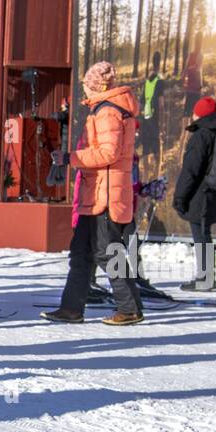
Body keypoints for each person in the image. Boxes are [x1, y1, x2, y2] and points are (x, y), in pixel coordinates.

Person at [44, 61, 143, 326]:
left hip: (105, 193)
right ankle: (71, 308)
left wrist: (71, 157)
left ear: (96, 85)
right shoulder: (104, 109)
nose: (85, 90)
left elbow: (109, 153)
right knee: (81, 252)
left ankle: (130, 308)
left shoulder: (108, 111)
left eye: (87, 85)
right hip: (96, 191)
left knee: (107, 251)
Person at [173, 96, 216, 292]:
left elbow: (191, 170)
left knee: (201, 235)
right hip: (215, 191)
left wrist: (180, 197)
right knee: (204, 234)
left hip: (200, 193)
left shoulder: (201, 135)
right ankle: (206, 276)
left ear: (199, 114)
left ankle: (205, 278)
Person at [139, 51, 165, 179]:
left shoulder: (147, 81)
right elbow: (161, 104)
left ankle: (144, 179)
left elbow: (141, 102)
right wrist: (163, 121)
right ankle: (155, 179)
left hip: (146, 119)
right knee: (157, 152)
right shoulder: (160, 81)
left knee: (145, 150)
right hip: (155, 120)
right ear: (159, 63)